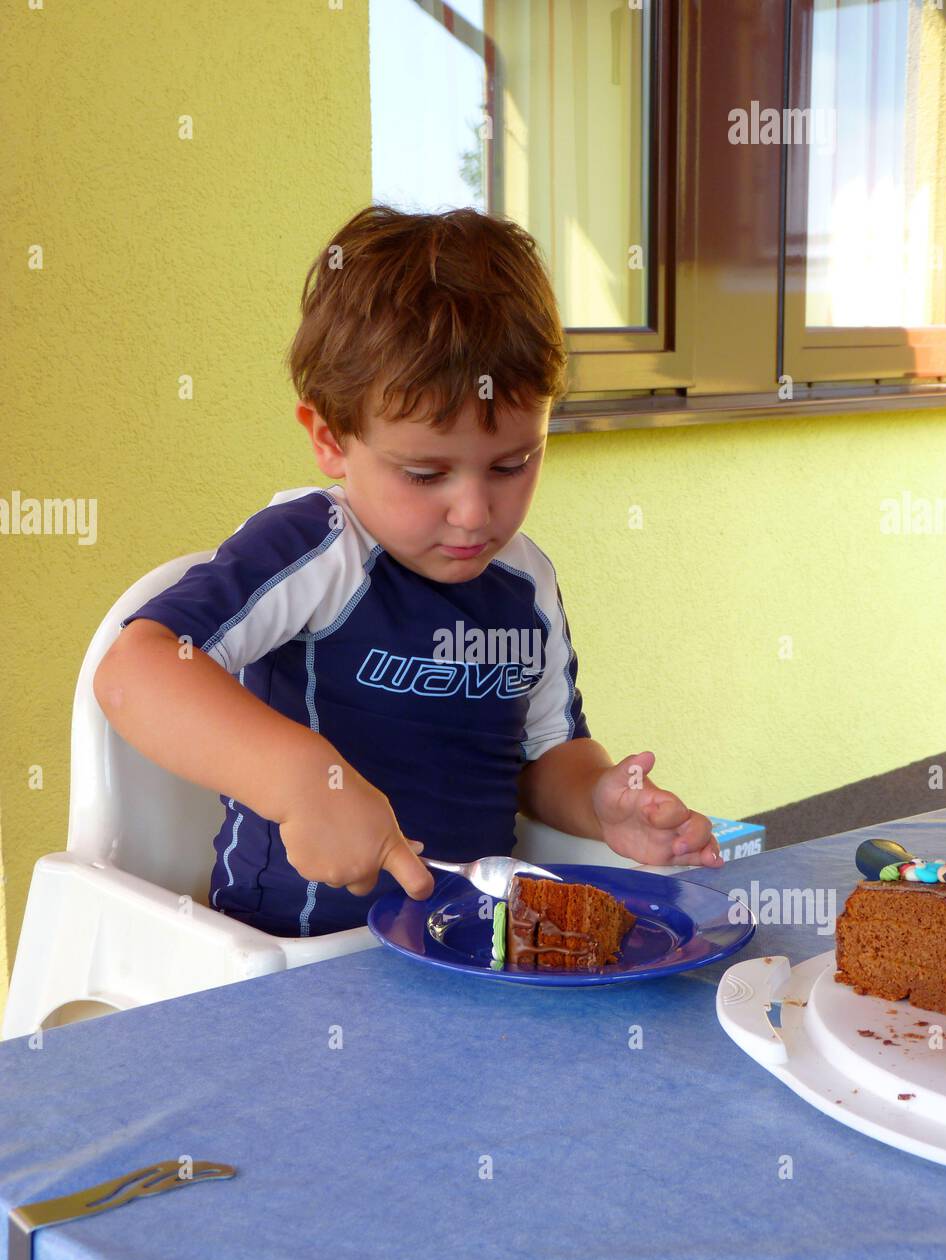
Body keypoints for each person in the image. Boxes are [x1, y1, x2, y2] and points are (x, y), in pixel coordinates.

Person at [93, 204, 721, 938]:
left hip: (471, 945)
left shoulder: (524, 581)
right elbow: (134, 672)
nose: (473, 514)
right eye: (425, 474)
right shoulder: (317, 546)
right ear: (330, 440)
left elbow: (546, 756)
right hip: (299, 955)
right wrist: (299, 784)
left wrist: (600, 802)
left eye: (513, 464)